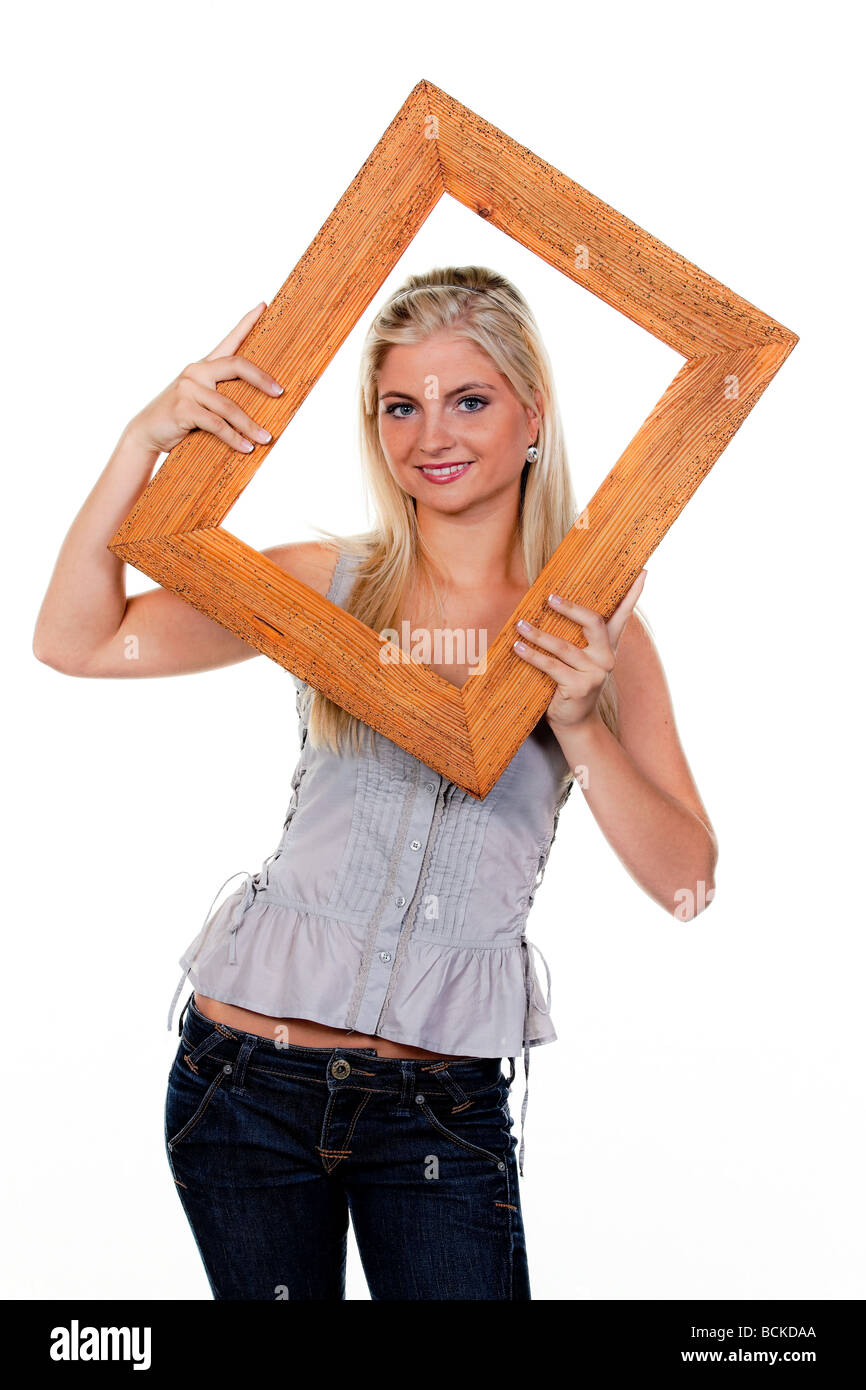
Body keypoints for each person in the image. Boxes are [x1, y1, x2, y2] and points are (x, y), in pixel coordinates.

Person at [33, 265, 718, 1301]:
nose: (430, 434)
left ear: (532, 415)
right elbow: (79, 641)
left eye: (468, 400)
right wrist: (141, 443)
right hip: (244, 1082)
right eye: (401, 405)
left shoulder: (595, 640)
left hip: (437, 1108)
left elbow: (685, 882)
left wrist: (577, 724)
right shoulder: (325, 585)